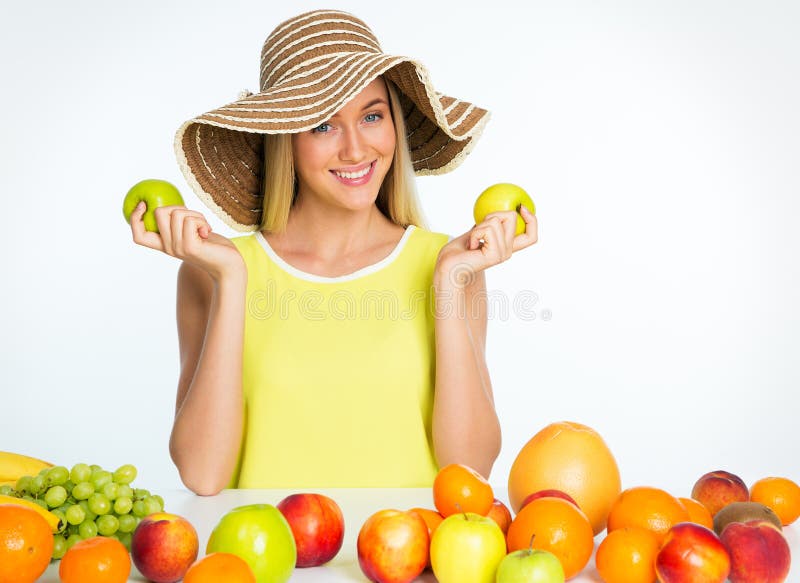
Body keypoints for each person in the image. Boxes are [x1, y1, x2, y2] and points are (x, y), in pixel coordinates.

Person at [130, 9, 538, 495]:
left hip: (409, 565)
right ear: (285, 139)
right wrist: (231, 281)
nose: (355, 149)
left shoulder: (449, 264)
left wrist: (450, 281)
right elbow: (202, 475)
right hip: (273, 565)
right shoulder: (216, 270)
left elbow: (469, 468)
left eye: (371, 116)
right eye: (323, 125)